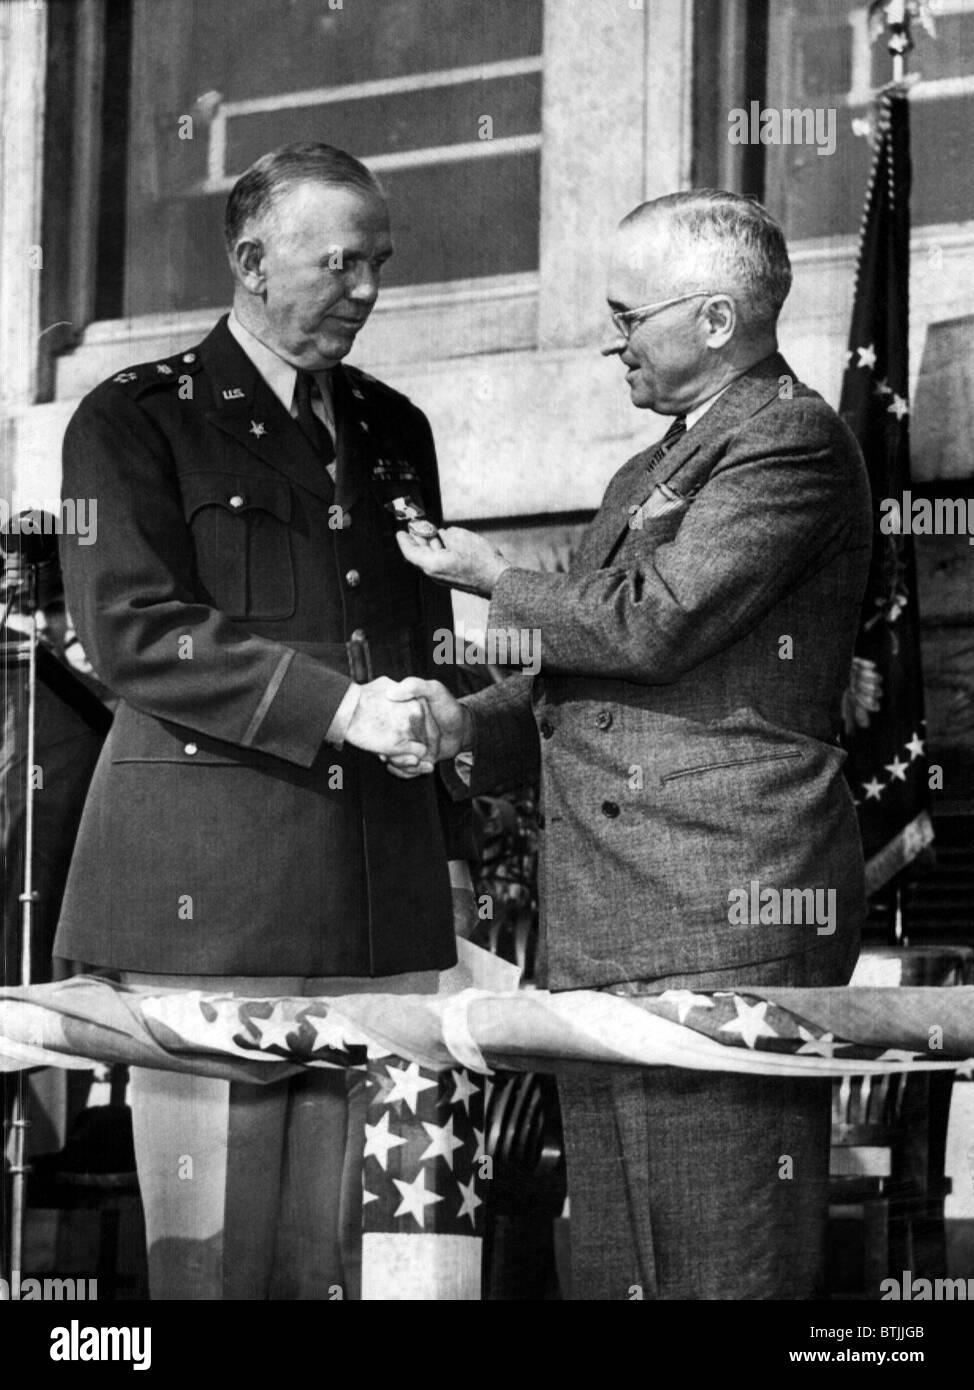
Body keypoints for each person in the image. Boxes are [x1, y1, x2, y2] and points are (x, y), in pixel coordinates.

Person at [391, 190, 872, 1300]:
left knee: (720, 1259)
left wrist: (488, 576)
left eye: (625, 317)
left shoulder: (787, 440)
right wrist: (469, 724)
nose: (612, 342)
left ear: (711, 319)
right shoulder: (648, 468)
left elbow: (653, 622)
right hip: (614, 916)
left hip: (723, 909)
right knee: (616, 1265)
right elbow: (586, 681)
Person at [56, 141, 475, 1300]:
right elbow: (133, 628)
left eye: (378, 263)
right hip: (210, 901)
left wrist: (448, 834)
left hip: (376, 894)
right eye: (341, 262)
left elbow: (421, 639)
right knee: (216, 1264)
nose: (368, 291)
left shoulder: (393, 427)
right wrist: (338, 709)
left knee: (347, 1261)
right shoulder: (131, 419)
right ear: (249, 259)